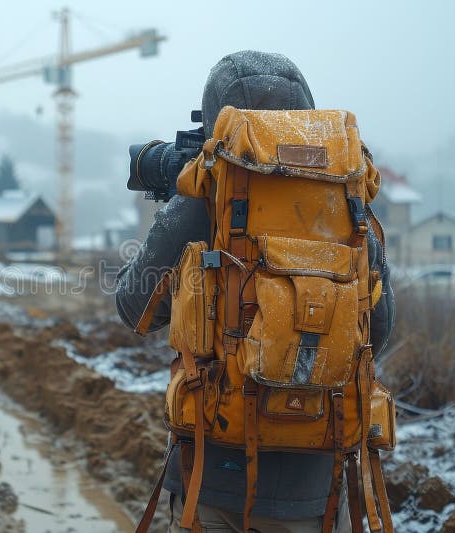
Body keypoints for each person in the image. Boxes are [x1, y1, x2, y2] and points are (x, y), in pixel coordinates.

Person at [115, 50, 395, 532]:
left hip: (214, 474)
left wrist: (185, 205)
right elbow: (381, 331)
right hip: (319, 485)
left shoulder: (205, 198)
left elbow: (132, 307)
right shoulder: (351, 207)